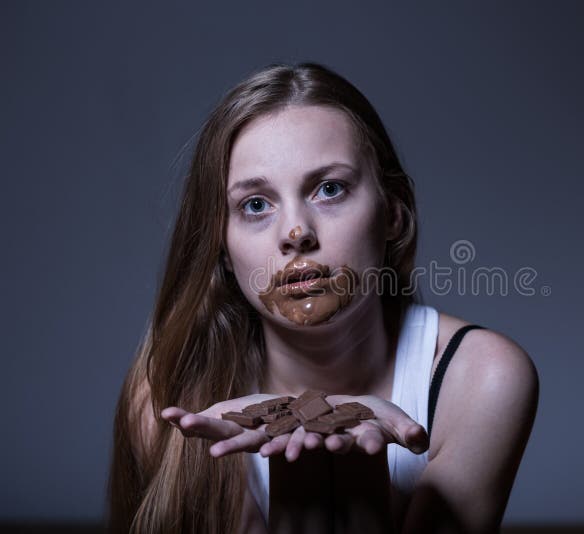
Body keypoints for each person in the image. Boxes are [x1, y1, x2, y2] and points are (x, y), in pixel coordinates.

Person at [107, 62, 539, 534]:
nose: (296, 233)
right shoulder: (167, 394)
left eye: (329, 189)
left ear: (393, 215)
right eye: (255, 204)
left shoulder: (480, 378)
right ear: (223, 249)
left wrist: (363, 489)